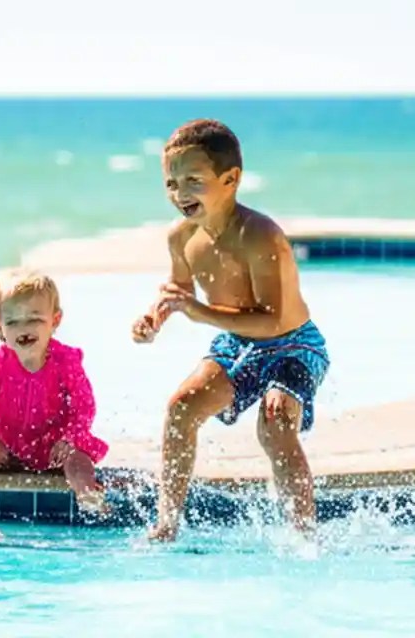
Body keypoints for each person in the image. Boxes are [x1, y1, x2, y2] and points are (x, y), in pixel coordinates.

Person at [132, 118, 331, 542]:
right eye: (171, 183)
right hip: (236, 342)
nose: (179, 193)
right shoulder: (181, 238)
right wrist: (156, 317)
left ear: (231, 179)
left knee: (275, 424)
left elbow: (273, 319)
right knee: (181, 408)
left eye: (192, 180)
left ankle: (305, 538)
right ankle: (167, 524)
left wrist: (200, 313)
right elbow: (179, 288)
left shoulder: (260, 236)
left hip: (292, 343)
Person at [0, 267, 109, 513]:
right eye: (13, 321)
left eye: (34, 319)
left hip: (56, 443)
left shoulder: (66, 361)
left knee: (77, 460)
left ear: (55, 321)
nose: (23, 328)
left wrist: (69, 437)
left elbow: (84, 406)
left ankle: (87, 494)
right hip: (9, 440)